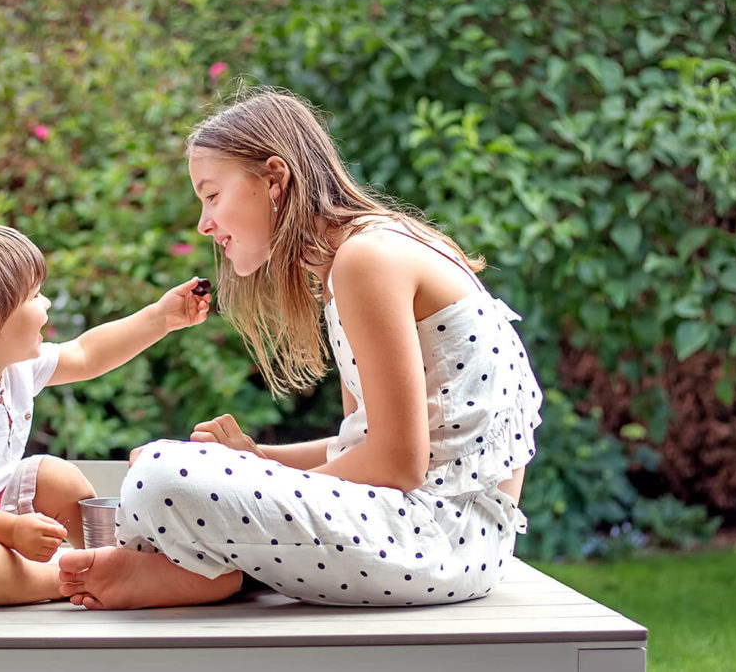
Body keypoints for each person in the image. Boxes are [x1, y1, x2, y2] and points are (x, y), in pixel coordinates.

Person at [58, 88, 542, 609]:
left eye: (212, 195)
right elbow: (363, 445)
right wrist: (257, 459)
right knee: (167, 468)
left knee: (160, 475)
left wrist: (250, 479)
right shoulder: (360, 256)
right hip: (443, 538)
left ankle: (205, 570)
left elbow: (397, 464)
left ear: (274, 179)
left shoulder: (367, 259)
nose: (204, 223)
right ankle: (209, 570)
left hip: (438, 541)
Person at [0, 221, 211, 605]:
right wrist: (10, 530)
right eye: (35, 295)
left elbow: (86, 354)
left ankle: (123, 557)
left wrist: (160, 318)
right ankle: (85, 578)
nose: (45, 305)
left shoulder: (11, 367)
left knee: (55, 476)